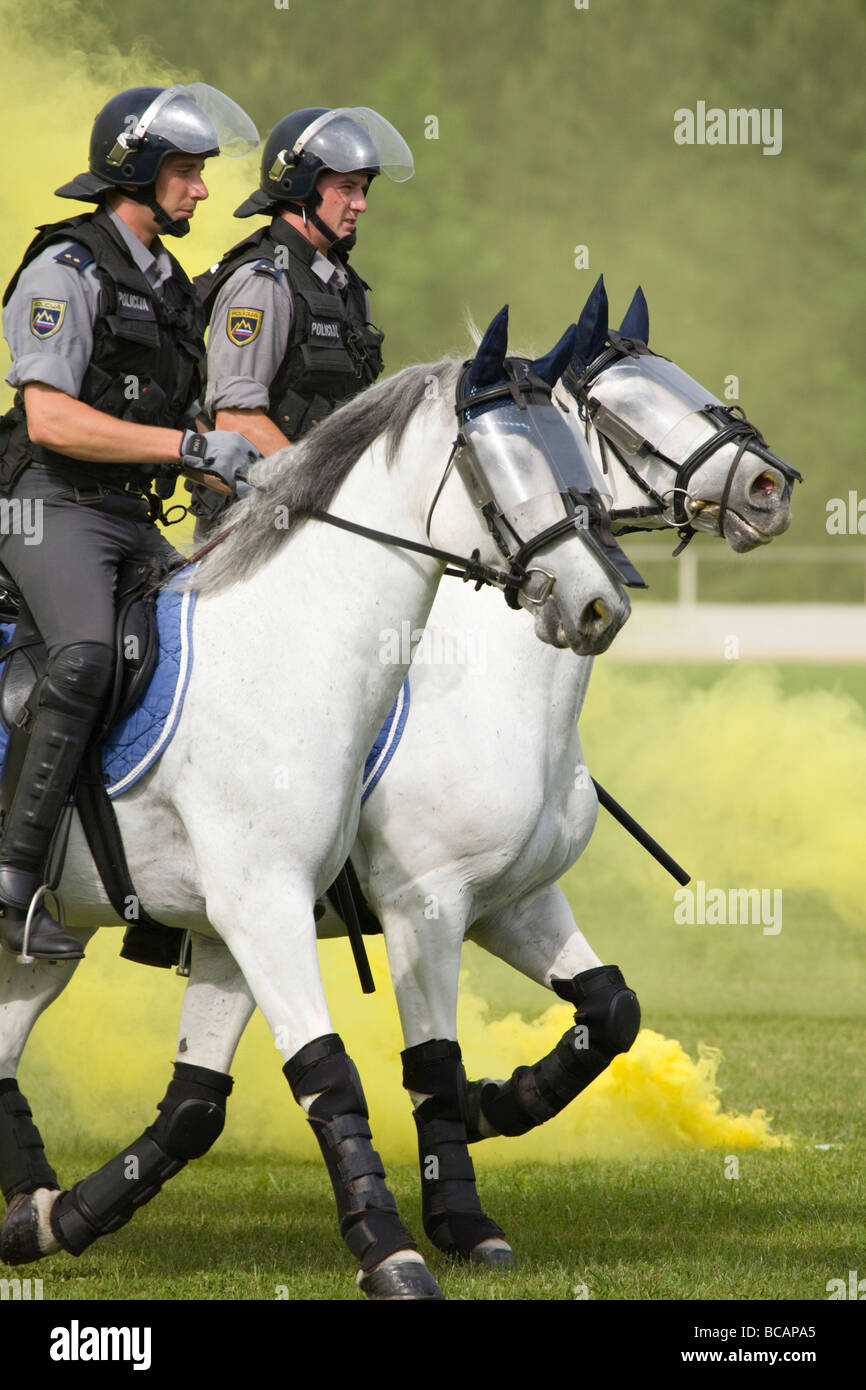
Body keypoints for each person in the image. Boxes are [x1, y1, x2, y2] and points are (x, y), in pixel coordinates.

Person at [0, 83, 261, 961]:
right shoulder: (64, 269)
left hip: (128, 515)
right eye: (186, 172)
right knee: (84, 657)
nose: (201, 190)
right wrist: (188, 448)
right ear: (137, 173)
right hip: (50, 505)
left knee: (224, 656)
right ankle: (11, 883)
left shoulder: (173, 285)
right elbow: (50, 418)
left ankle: (166, 895)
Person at [190, 106, 413, 530]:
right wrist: (339, 500)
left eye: (363, 189)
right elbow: (238, 420)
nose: (361, 204)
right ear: (299, 189)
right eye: (346, 188)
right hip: (257, 527)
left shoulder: (342, 283)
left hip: (316, 519)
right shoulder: (263, 282)